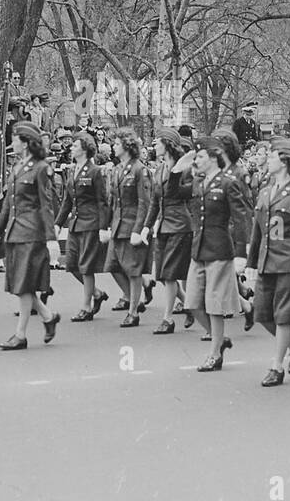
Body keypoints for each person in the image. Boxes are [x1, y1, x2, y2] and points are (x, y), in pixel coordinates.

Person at [245, 137, 290, 387]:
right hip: (267, 259)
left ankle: (277, 366)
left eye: (273, 155)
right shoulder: (265, 191)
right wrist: (251, 262)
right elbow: (257, 230)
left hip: (288, 260)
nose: (269, 159)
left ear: (285, 161)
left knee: (283, 316)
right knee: (262, 314)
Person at [0, 121, 61, 350]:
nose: (12, 144)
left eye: (15, 140)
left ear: (26, 143)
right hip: (15, 232)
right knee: (22, 283)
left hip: (32, 233)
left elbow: (46, 206)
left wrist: (51, 238)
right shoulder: (17, 168)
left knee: (24, 284)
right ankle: (48, 317)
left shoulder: (40, 168)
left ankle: (20, 334)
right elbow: (9, 204)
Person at [186, 135, 251, 372]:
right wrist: (180, 168)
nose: (197, 160)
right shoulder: (200, 182)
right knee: (193, 302)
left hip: (219, 249)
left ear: (214, 157)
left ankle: (215, 353)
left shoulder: (228, 182)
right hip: (199, 248)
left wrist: (241, 253)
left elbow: (241, 217)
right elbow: (176, 190)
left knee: (214, 304)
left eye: (201, 156)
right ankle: (219, 339)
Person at [57, 131, 112, 322]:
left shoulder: (95, 171)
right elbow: (67, 200)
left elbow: (102, 201)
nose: (71, 147)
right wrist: (58, 223)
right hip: (75, 223)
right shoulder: (72, 171)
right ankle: (97, 294)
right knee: (71, 265)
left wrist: (104, 227)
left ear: (85, 149)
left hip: (91, 223)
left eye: (75, 145)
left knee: (86, 267)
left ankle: (86, 307)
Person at [143, 128, 193, 334]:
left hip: (180, 225)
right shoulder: (159, 169)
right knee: (163, 275)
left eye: (157, 142)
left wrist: (176, 175)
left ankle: (168, 318)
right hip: (163, 226)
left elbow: (187, 193)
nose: (154, 146)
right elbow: (155, 202)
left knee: (171, 274)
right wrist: (147, 226)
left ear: (168, 144)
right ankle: (191, 306)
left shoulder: (186, 168)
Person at [103, 126, 152, 327]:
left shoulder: (140, 169)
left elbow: (144, 202)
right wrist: (106, 226)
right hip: (117, 225)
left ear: (127, 146)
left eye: (116, 144)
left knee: (133, 270)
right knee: (112, 266)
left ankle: (133, 312)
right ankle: (135, 298)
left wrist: (138, 230)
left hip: (131, 225)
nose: (114, 147)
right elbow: (112, 201)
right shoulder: (118, 169)